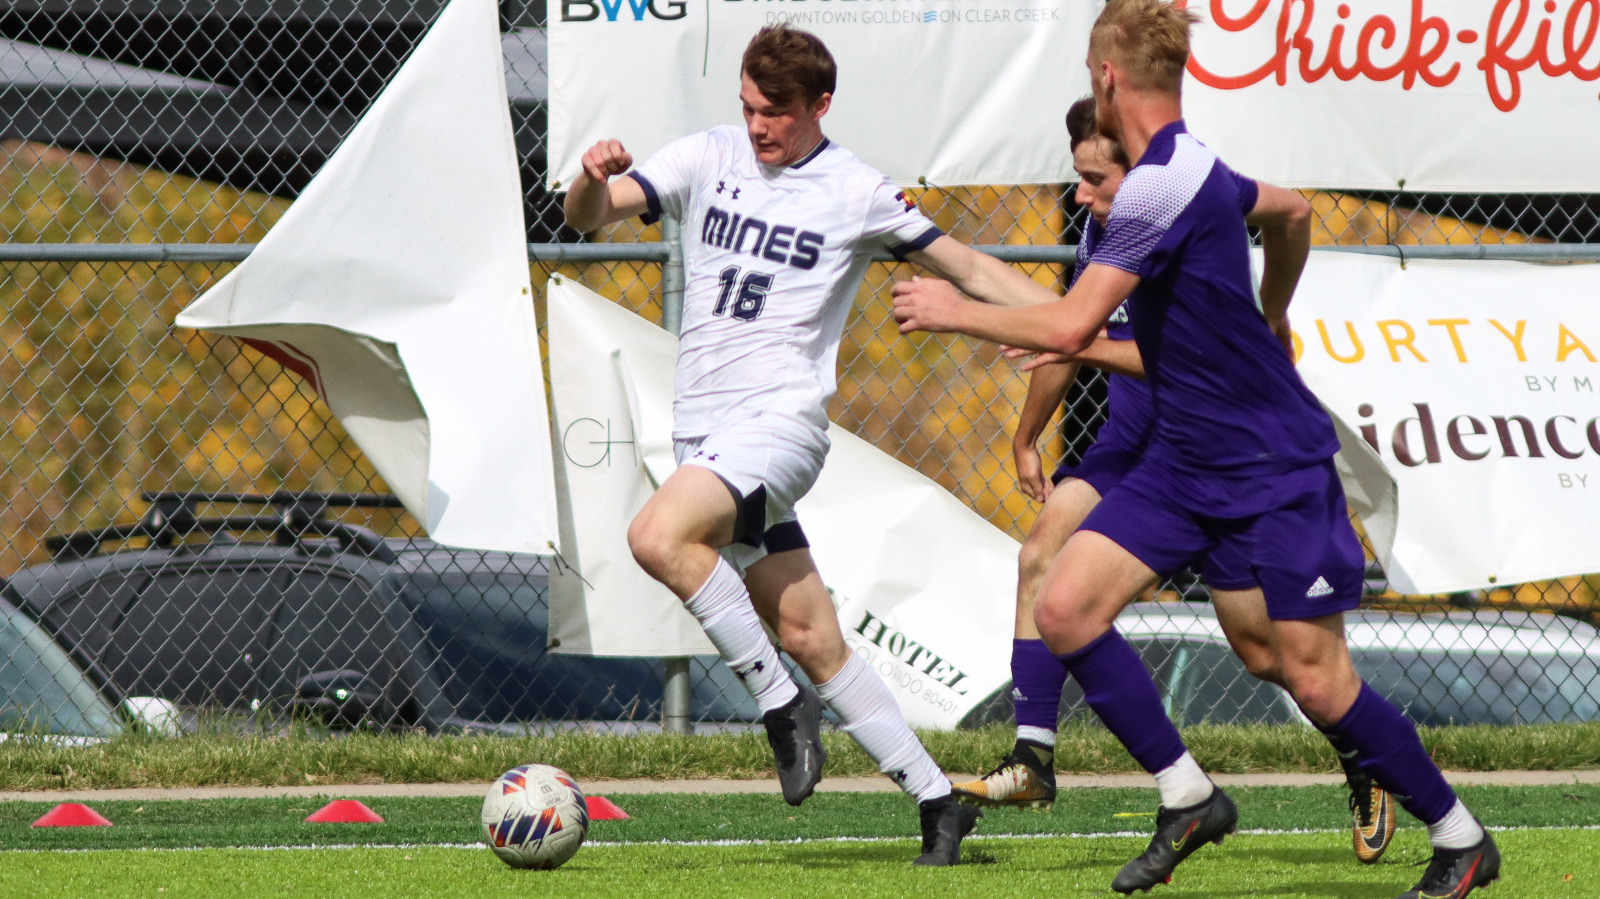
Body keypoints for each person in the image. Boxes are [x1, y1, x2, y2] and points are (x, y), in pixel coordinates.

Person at [890, 2, 1498, 896]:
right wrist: (1273, 310)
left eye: (1088, 75)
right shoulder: (1190, 170)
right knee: (1064, 604)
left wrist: (954, 311)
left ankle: (1460, 835)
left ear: (1106, 78)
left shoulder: (1156, 188)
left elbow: (1071, 324)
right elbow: (1291, 212)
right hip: (1184, 462)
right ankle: (1188, 795)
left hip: (1270, 465)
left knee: (1314, 679)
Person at [561, 23, 1111, 866]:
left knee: (656, 535)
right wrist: (589, 179)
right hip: (707, 435)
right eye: (749, 107)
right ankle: (937, 801)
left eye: (775, 112)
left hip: (778, 427)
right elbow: (590, 215)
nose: (758, 126)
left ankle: (780, 704)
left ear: (820, 105)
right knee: (812, 635)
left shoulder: (853, 189)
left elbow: (967, 267)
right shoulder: (710, 154)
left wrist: (1065, 321)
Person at [951, 97, 1398, 869]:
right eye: (1079, 177)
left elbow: (1139, 350)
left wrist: (1271, 309)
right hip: (1133, 449)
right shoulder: (1105, 220)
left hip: (1208, 454)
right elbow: (1070, 328)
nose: (1082, 194)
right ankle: (1033, 754)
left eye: (1096, 178)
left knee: (1266, 654)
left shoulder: (1183, 214)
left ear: (1142, 174)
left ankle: (1364, 755)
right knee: (1041, 557)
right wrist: (1026, 434)